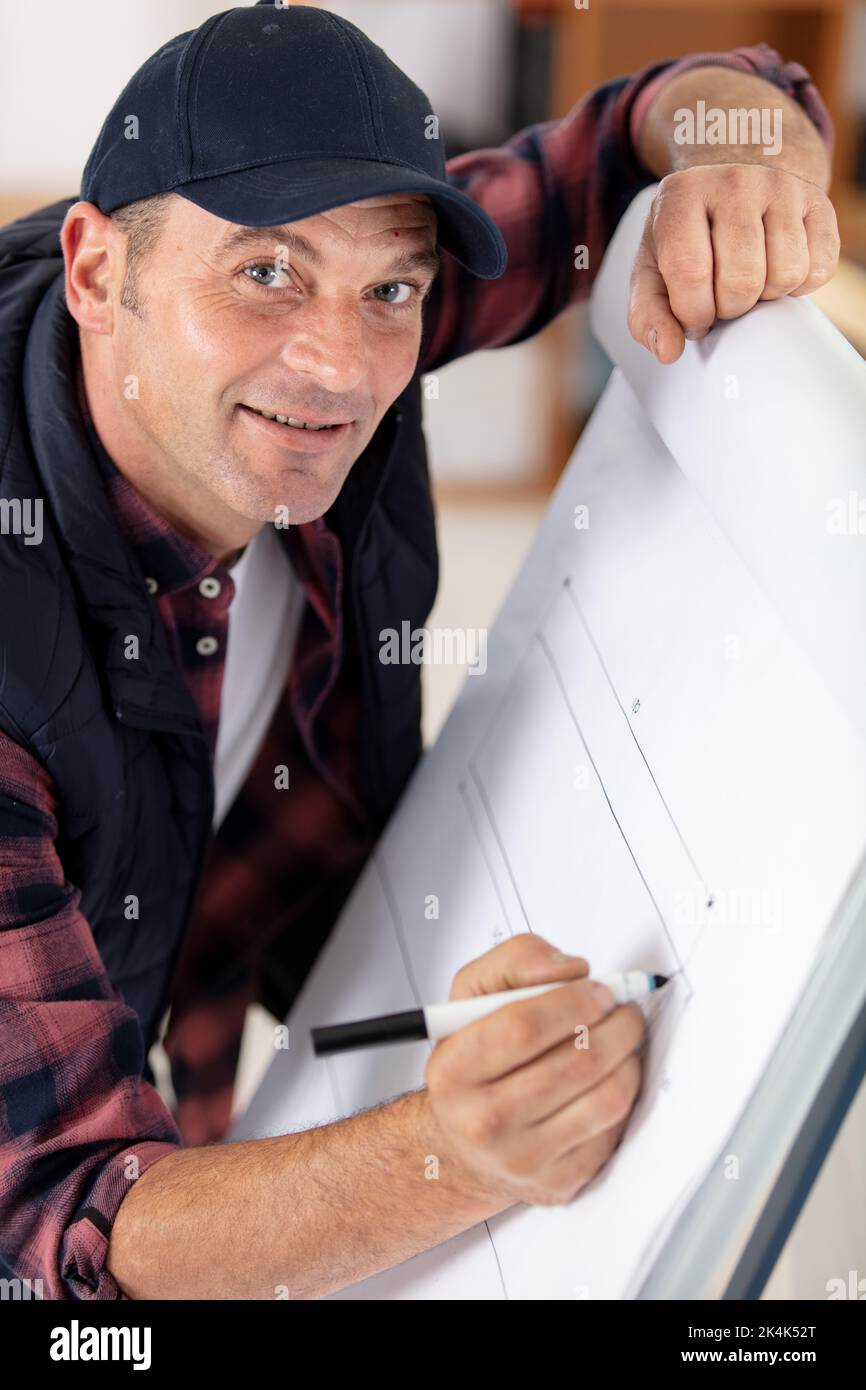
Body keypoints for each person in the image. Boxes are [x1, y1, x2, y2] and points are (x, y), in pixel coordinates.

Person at [0, 3, 835, 1300]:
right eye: (265, 272)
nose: (339, 361)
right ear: (99, 273)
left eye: (390, 285)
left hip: (225, 991)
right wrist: (448, 1158)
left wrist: (750, 165)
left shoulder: (336, 348)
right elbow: (69, 1230)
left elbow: (638, 131)